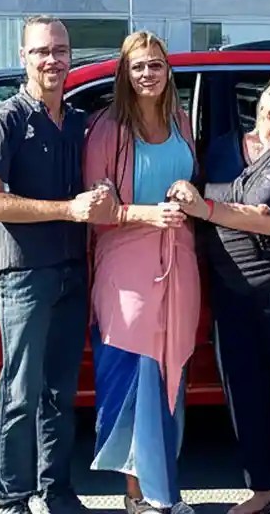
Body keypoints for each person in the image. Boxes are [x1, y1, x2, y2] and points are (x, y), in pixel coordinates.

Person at [0, 15, 116, 514]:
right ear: (23, 57)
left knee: (60, 390)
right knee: (19, 392)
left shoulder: (77, 120)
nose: (52, 60)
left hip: (72, 268)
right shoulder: (4, 119)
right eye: (41, 51)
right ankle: (12, 500)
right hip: (22, 274)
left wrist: (103, 194)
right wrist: (67, 208)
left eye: (60, 50)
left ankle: (55, 492)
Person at [167, 71, 270, 514]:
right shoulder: (220, 148)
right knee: (243, 389)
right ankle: (260, 488)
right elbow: (193, 192)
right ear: (260, 101)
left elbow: (269, 220)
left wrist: (207, 206)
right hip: (228, 287)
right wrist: (187, 192)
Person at [82, 31, 201, 514]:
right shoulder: (108, 128)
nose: (148, 74)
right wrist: (150, 214)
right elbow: (95, 209)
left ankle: (164, 486)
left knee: (173, 370)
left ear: (167, 70)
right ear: (124, 74)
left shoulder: (181, 120)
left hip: (180, 257)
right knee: (135, 372)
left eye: (155, 65)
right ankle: (140, 497)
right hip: (125, 264)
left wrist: (187, 202)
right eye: (138, 67)